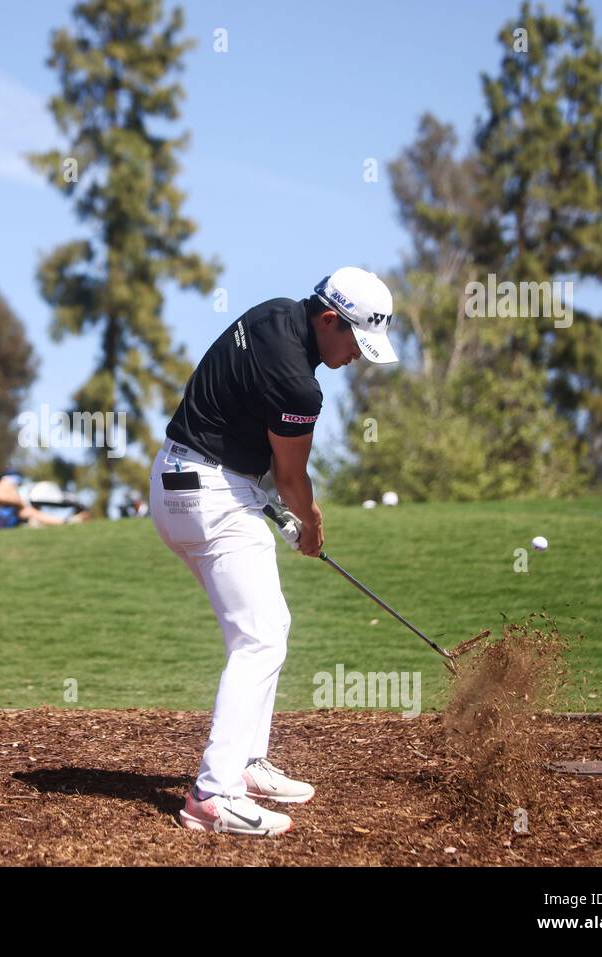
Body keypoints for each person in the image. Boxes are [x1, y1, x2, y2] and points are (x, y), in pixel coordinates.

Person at [151, 266, 397, 837]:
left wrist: (269, 503)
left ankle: (247, 761)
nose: (358, 357)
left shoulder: (274, 311)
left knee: (266, 627)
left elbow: (246, 437)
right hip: (211, 494)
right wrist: (309, 522)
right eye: (356, 342)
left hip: (183, 481)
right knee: (259, 637)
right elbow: (290, 476)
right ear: (329, 319)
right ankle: (213, 795)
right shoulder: (299, 384)